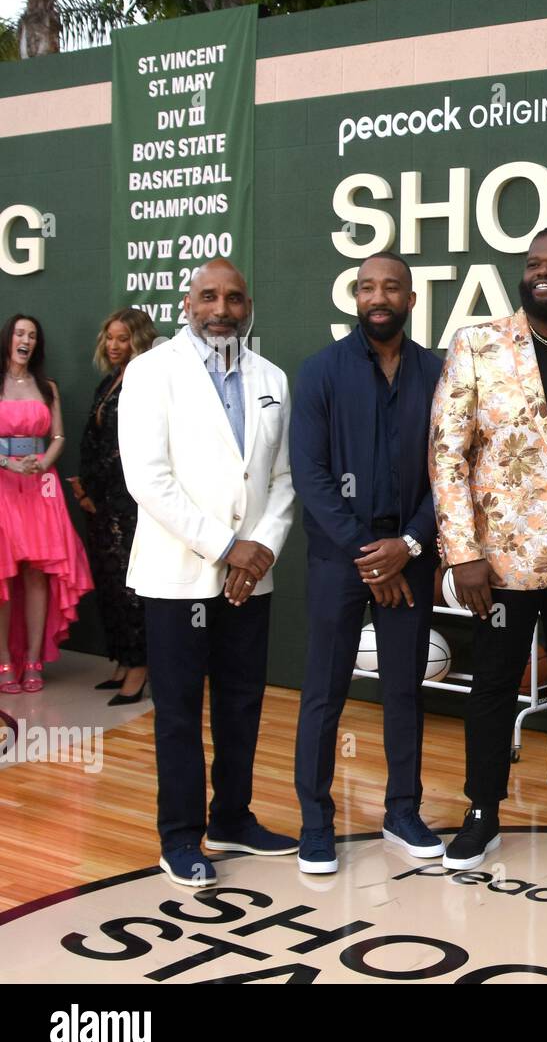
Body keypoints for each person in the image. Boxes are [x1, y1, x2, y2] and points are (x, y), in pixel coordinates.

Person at [431, 227, 547, 871]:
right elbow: (447, 454)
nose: (543, 273)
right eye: (534, 263)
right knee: (492, 681)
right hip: (504, 555)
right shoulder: (478, 344)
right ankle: (482, 810)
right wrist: (462, 551)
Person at [118, 259, 297, 887]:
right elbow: (149, 480)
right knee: (178, 711)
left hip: (253, 576)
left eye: (235, 298)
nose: (223, 308)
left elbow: (280, 479)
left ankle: (233, 818)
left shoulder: (271, 376)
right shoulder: (150, 372)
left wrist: (263, 549)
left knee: (243, 703)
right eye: (209, 296)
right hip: (181, 574)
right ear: (186, 304)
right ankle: (180, 836)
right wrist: (228, 547)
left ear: (249, 307)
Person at [291, 251, 443, 874]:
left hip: (409, 555)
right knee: (324, 693)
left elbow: (450, 471)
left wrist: (405, 547)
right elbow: (311, 473)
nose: (378, 296)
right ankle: (315, 823)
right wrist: (367, 556)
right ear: (354, 297)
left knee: (405, 690)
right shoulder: (321, 371)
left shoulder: (440, 372)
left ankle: (402, 811)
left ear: (411, 297)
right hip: (340, 558)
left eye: (391, 287)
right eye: (366, 287)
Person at [0, 313, 93, 694]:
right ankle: (5, 662)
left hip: (41, 485)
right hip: (3, 484)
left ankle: (35, 660)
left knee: (38, 574)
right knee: (3, 577)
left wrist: (43, 462)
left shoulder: (47, 387)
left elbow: (58, 436)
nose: (26, 340)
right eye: (21, 333)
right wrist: (6, 461)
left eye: (33, 335)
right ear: (9, 338)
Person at [71, 309, 157, 706]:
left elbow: (126, 447)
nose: (113, 345)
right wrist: (86, 488)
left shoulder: (146, 383)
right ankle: (123, 659)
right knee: (109, 584)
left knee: (129, 587)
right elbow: (95, 441)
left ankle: (140, 667)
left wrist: (96, 486)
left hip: (129, 500)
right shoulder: (109, 381)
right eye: (109, 338)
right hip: (101, 501)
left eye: (122, 338)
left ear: (138, 340)